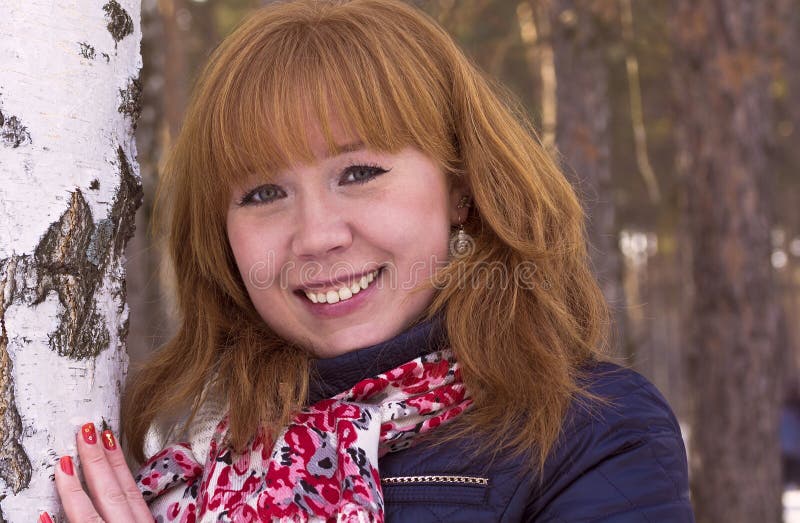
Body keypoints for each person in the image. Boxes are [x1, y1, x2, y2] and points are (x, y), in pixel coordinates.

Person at [51, 0, 694, 521]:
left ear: (462, 189)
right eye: (264, 193)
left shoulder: (593, 433)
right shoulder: (192, 474)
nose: (316, 236)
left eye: (359, 172)